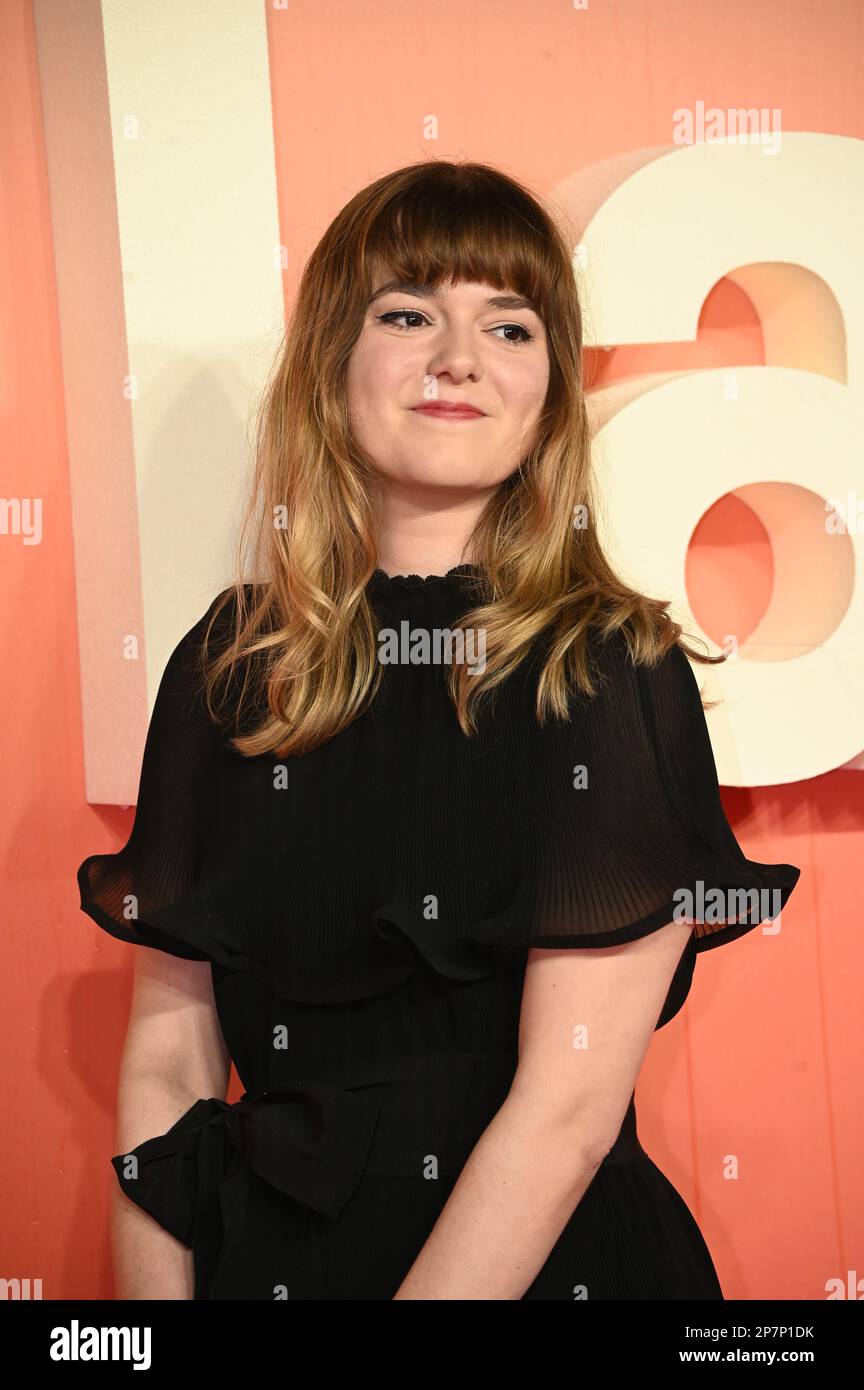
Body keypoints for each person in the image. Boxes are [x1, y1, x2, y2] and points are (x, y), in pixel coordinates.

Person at [77, 159, 801, 1301]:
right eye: (408, 313)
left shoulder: (609, 665)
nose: (458, 356)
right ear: (332, 364)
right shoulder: (226, 669)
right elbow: (165, 1070)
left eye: (509, 327)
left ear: (548, 388)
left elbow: (564, 1115)